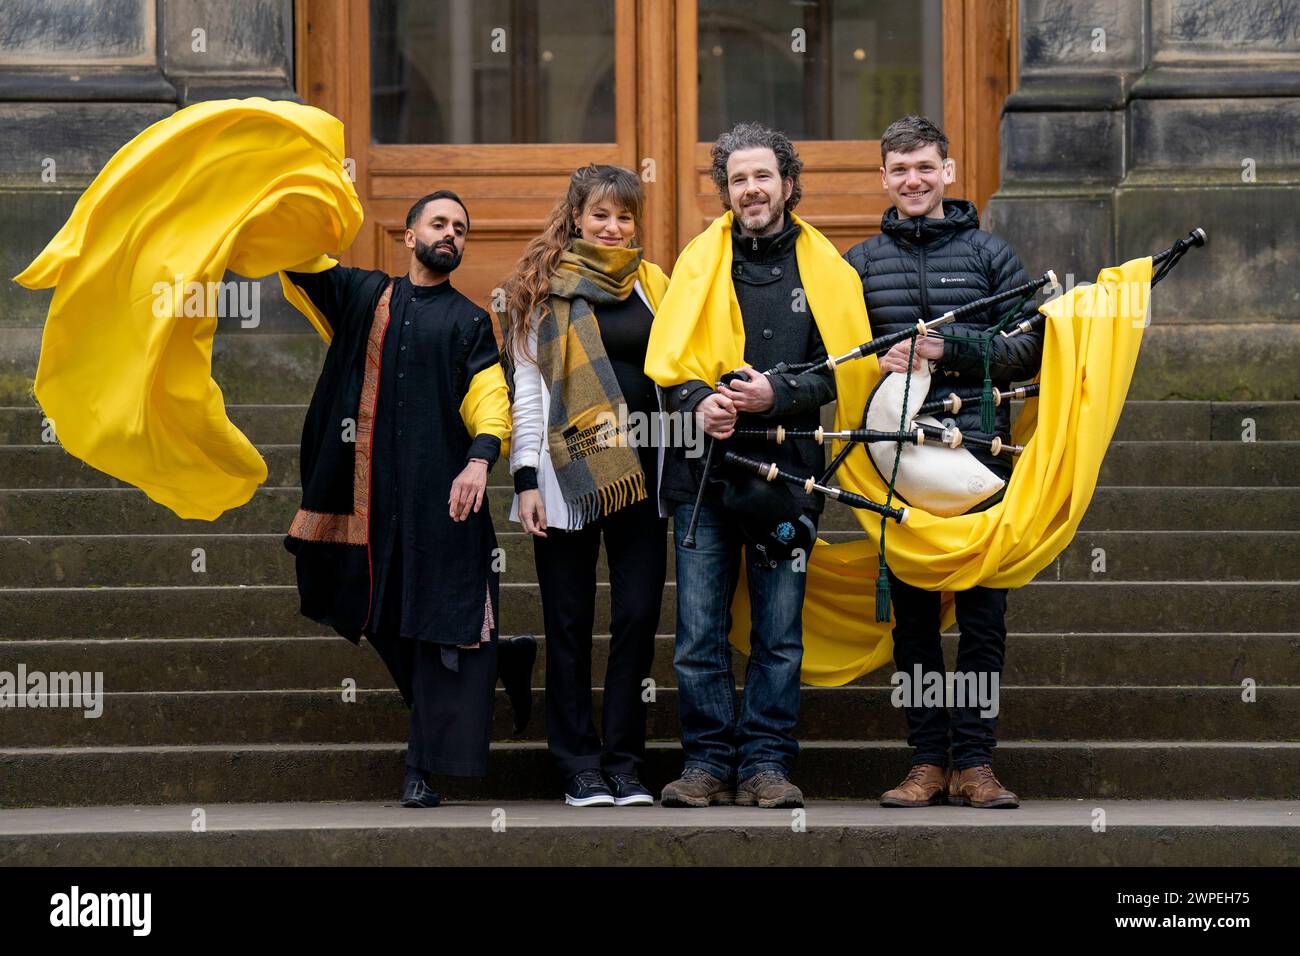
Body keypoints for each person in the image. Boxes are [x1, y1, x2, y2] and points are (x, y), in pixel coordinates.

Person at [647, 123, 870, 809]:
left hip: (787, 478)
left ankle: (768, 765)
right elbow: (669, 363)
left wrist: (782, 393)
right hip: (705, 473)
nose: (751, 189)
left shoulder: (829, 270)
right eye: (738, 179)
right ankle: (707, 764)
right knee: (698, 633)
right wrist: (699, 402)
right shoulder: (696, 261)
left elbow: (847, 370)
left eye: (762, 177)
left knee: (778, 633)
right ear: (727, 191)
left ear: (788, 184)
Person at [280, 190, 512, 808]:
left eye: (461, 228)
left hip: (442, 506)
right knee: (376, 614)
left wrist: (478, 460)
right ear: (408, 235)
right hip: (365, 504)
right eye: (439, 224)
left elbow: (490, 397)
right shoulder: (364, 295)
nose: (451, 235)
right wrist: (269, 193)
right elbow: (300, 260)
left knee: (435, 628)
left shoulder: (470, 321)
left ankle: (419, 770)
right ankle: (502, 663)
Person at [844, 115, 1044, 809]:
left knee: (984, 624)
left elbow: (1034, 347)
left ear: (948, 172)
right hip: (899, 472)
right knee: (916, 625)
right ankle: (927, 762)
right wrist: (880, 357)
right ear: (885, 178)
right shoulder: (860, 264)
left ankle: (976, 764)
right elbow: (838, 361)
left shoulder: (991, 256)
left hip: (982, 466)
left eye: (925, 167)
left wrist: (946, 348)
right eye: (900, 170)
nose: (914, 180)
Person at [498, 165, 670, 807]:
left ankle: (625, 763)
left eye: (625, 216)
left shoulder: (653, 285)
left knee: (635, 618)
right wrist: (524, 480)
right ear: (576, 218)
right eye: (601, 214)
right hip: (567, 478)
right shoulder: (539, 294)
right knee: (567, 622)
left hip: (644, 478)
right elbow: (526, 398)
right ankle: (577, 763)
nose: (614, 227)